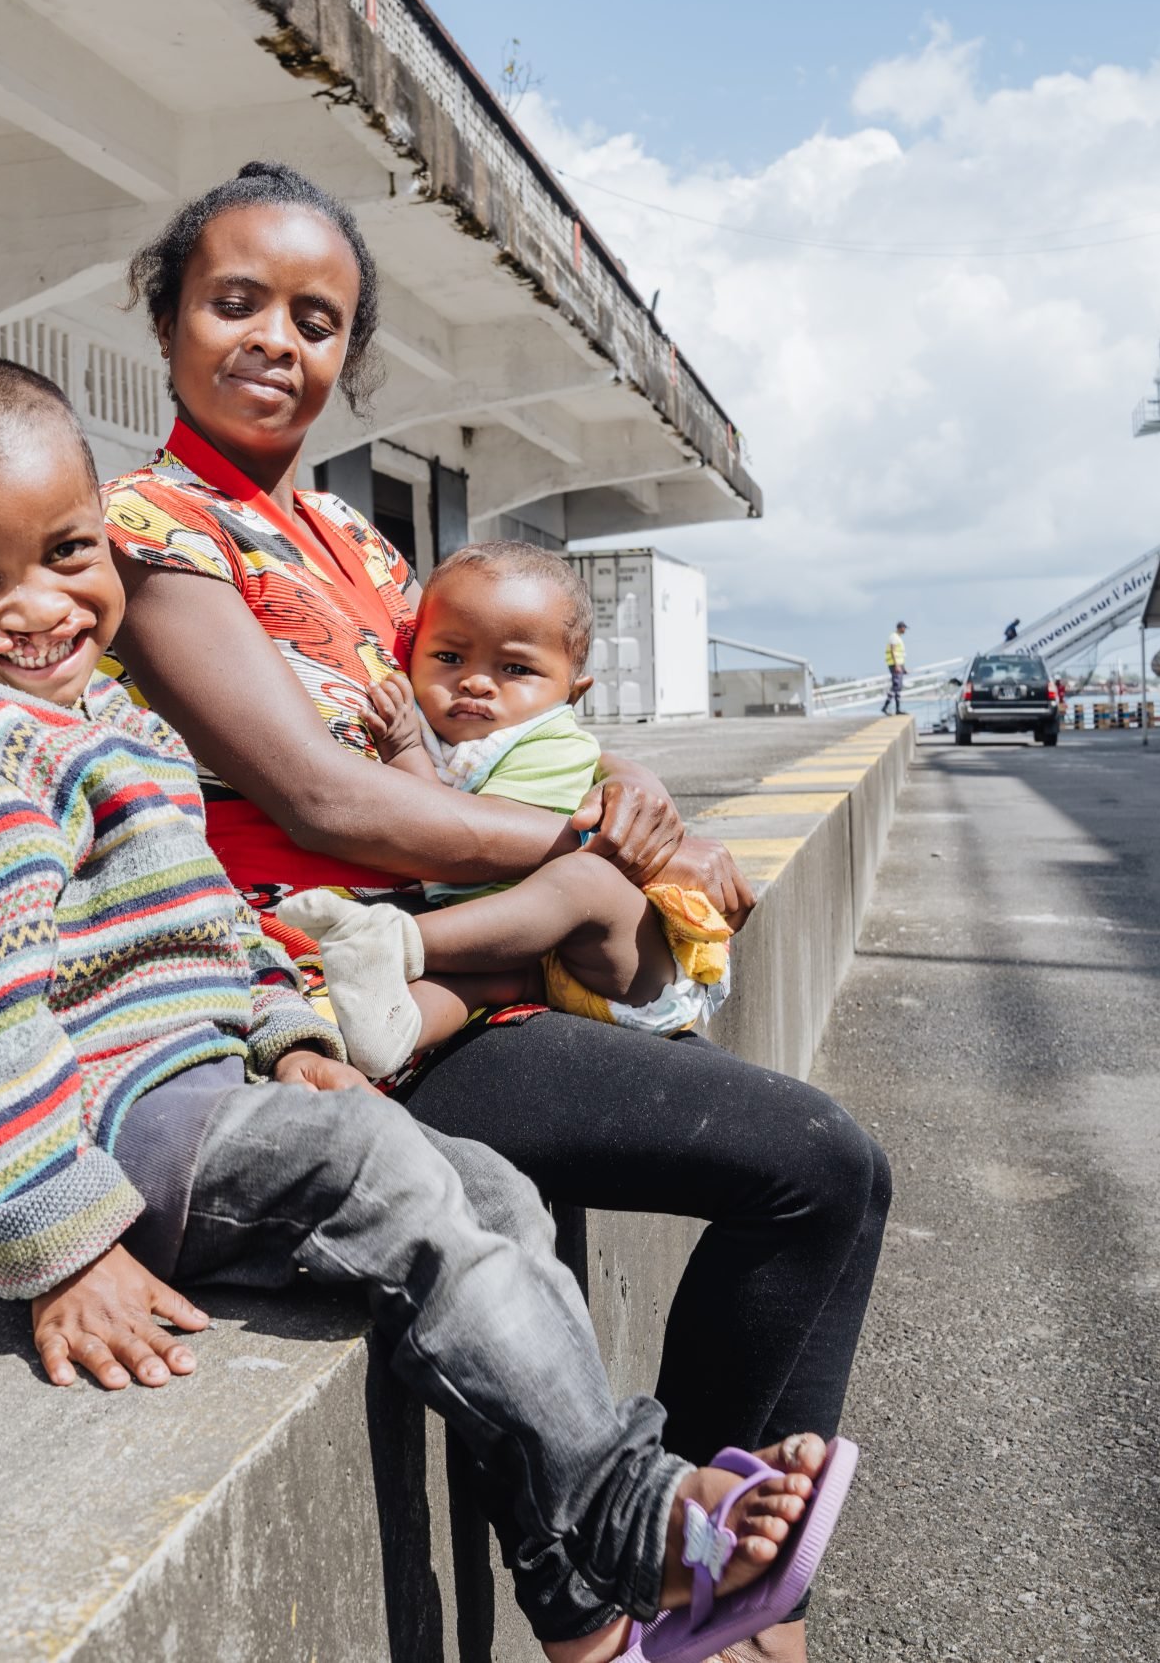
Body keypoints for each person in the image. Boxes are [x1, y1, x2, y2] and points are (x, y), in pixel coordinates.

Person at [0, 354, 848, 1663]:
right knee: (379, 1160)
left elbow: (209, 928)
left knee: (491, 1188)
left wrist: (295, 1042)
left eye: (67, 551)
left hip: (180, 1084)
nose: (39, 605)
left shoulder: (108, 727)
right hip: (74, 1130)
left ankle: (587, 1592)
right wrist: (61, 1246)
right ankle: (634, 1511)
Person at [101, 163, 890, 1663]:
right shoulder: (149, 532)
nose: (277, 339)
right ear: (166, 317)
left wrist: (620, 785)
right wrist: (602, 835)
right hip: (313, 999)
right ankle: (706, 1588)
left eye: (317, 318)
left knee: (752, 1173)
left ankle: (666, 1579)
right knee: (817, 1165)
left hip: (455, 961)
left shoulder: (360, 545)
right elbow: (327, 801)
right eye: (237, 301)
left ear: (347, 353)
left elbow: (457, 743)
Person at [278, 540, 731, 1076]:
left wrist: (402, 752)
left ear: (572, 693)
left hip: (621, 967)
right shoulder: (447, 734)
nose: (475, 681)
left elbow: (463, 837)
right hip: (522, 965)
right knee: (472, 984)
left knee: (584, 880)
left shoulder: (551, 742)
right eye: (449, 658)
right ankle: (389, 1032)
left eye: (515, 668)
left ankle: (394, 940)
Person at [880, 621, 908, 716]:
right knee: (896, 686)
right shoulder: (894, 637)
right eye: (904, 628)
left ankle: (897, 709)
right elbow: (893, 651)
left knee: (898, 687)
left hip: (899, 665)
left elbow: (900, 654)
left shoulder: (898, 638)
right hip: (894, 665)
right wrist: (896, 665)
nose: (905, 630)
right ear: (900, 627)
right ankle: (886, 707)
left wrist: (903, 667)